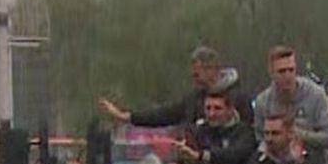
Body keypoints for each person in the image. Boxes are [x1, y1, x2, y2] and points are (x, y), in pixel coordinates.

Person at [98, 45, 253, 131]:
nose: (194, 79)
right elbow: (164, 114)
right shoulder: (193, 99)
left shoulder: (240, 98)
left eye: (196, 75)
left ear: (212, 70)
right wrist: (127, 117)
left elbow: (247, 135)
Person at [253, 46, 328, 150]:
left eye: (291, 70)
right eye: (282, 71)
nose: (288, 76)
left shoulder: (316, 95)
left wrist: (299, 135)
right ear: (271, 73)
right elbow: (259, 140)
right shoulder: (263, 102)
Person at [172, 90, 257, 164]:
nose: (211, 114)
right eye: (208, 108)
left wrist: (203, 156)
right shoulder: (198, 132)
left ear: (230, 110)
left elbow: (236, 156)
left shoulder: (244, 132)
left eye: (217, 108)